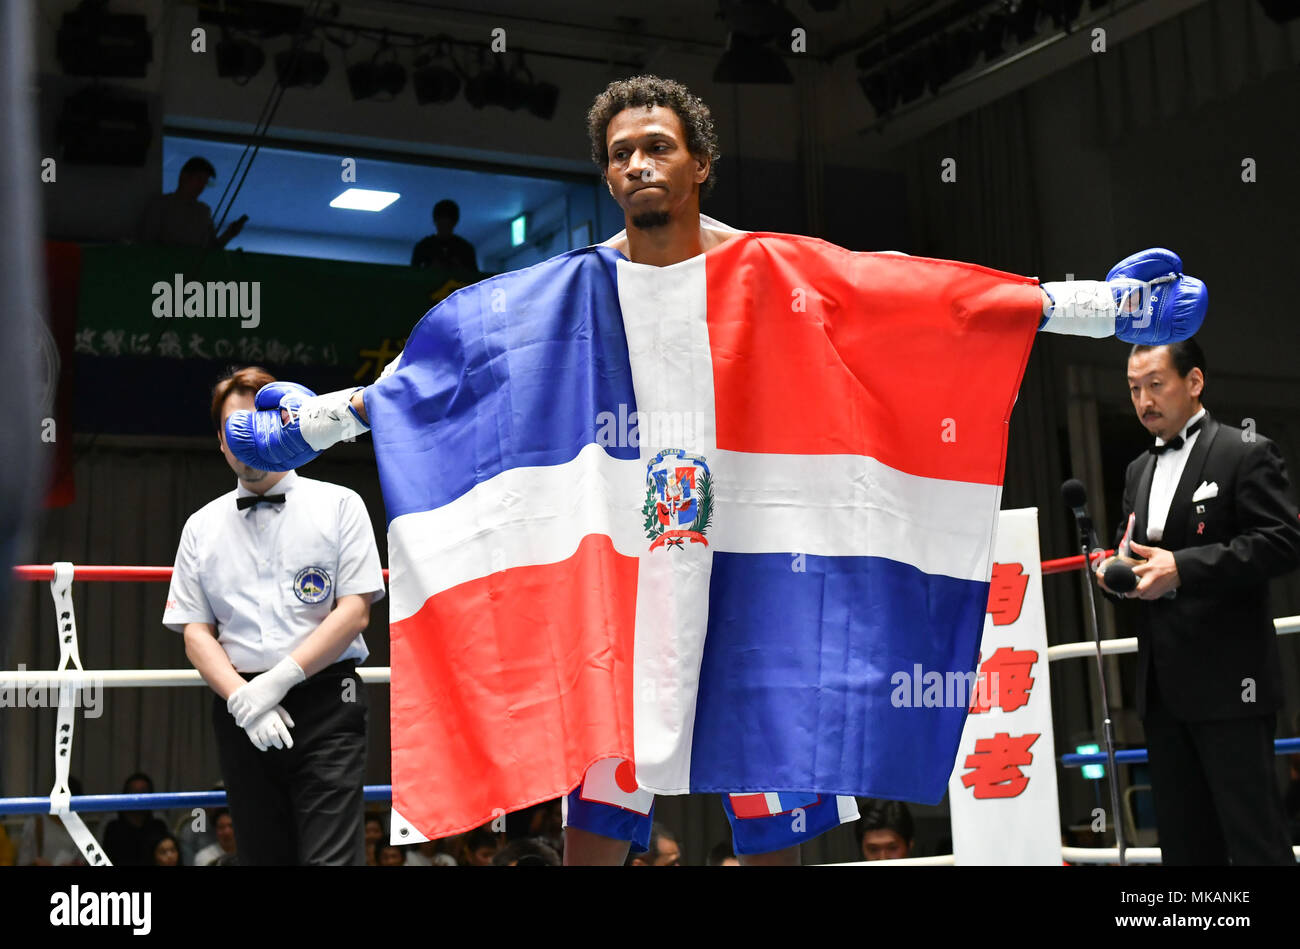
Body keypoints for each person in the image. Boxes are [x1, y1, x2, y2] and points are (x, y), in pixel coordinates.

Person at [224, 75, 1207, 866]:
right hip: (620, 586)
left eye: (656, 145)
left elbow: (925, 300)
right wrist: (305, 426)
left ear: (700, 163)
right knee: (596, 826)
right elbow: (433, 379)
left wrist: (1099, 307)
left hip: (754, 577)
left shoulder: (782, 275)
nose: (638, 163)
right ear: (606, 178)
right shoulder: (560, 300)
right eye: (619, 154)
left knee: (775, 799)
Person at [162, 365, 386, 865]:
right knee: (263, 857)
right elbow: (195, 630)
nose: (248, 439)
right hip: (241, 708)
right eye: (233, 429)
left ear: (285, 426)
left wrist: (280, 678)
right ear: (221, 441)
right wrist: (245, 695)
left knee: (330, 861)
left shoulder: (340, 506)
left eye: (257, 424)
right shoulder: (201, 527)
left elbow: (354, 612)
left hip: (328, 701)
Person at [1095, 339, 1300, 865]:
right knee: (1185, 851)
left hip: (1233, 684)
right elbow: (1136, 549)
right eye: (1134, 388)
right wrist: (1118, 572)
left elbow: (1282, 542)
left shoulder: (1246, 451)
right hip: (1162, 689)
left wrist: (1182, 569)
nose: (1144, 400)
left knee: (1256, 843)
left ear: (1194, 382)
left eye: (1155, 384)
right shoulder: (1137, 470)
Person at [137, 156, 247, 249]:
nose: (202, 186)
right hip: (170, 270)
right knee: (178, 275)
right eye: (199, 179)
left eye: (205, 182)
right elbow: (147, 244)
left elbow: (211, 250)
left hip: (191, 272)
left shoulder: (203, 211)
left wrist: (229, 234)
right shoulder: (160, 205)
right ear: (184, 176)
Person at [99, 772, 172, 866]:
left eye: (143, 792)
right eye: (133, 791)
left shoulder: (159, 823)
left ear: (151, 795)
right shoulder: (111, 823)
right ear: (125, 794)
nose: (137, 797)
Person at [410, 198, 477, 272]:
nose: (444, 227)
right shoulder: (422, 247)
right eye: (442, 223)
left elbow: (475, 278)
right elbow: (413, 275)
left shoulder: (466, 249)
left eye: (447, 224)